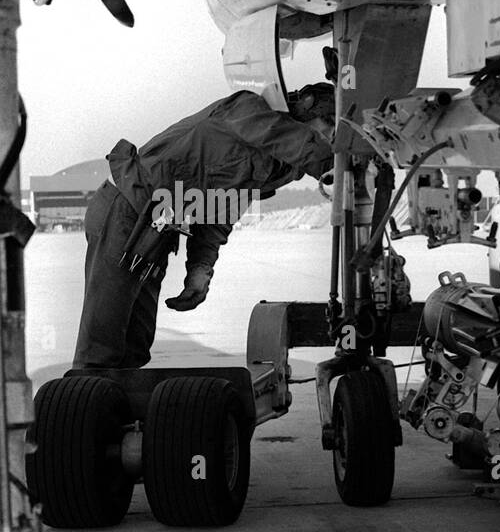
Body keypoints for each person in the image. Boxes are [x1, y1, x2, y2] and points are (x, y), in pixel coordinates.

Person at [72, 84, 335, 368]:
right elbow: (292, 140)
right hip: (125, 210)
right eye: (329, 128)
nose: (329, 138)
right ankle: (84, 403)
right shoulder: (248, 110)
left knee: (133, 348)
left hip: (155, 229)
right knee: (103, 346)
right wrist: (337, 163)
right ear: (306, 109)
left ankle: (116, 407)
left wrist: (199, 269)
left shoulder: (277, 162)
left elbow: (217, 216)